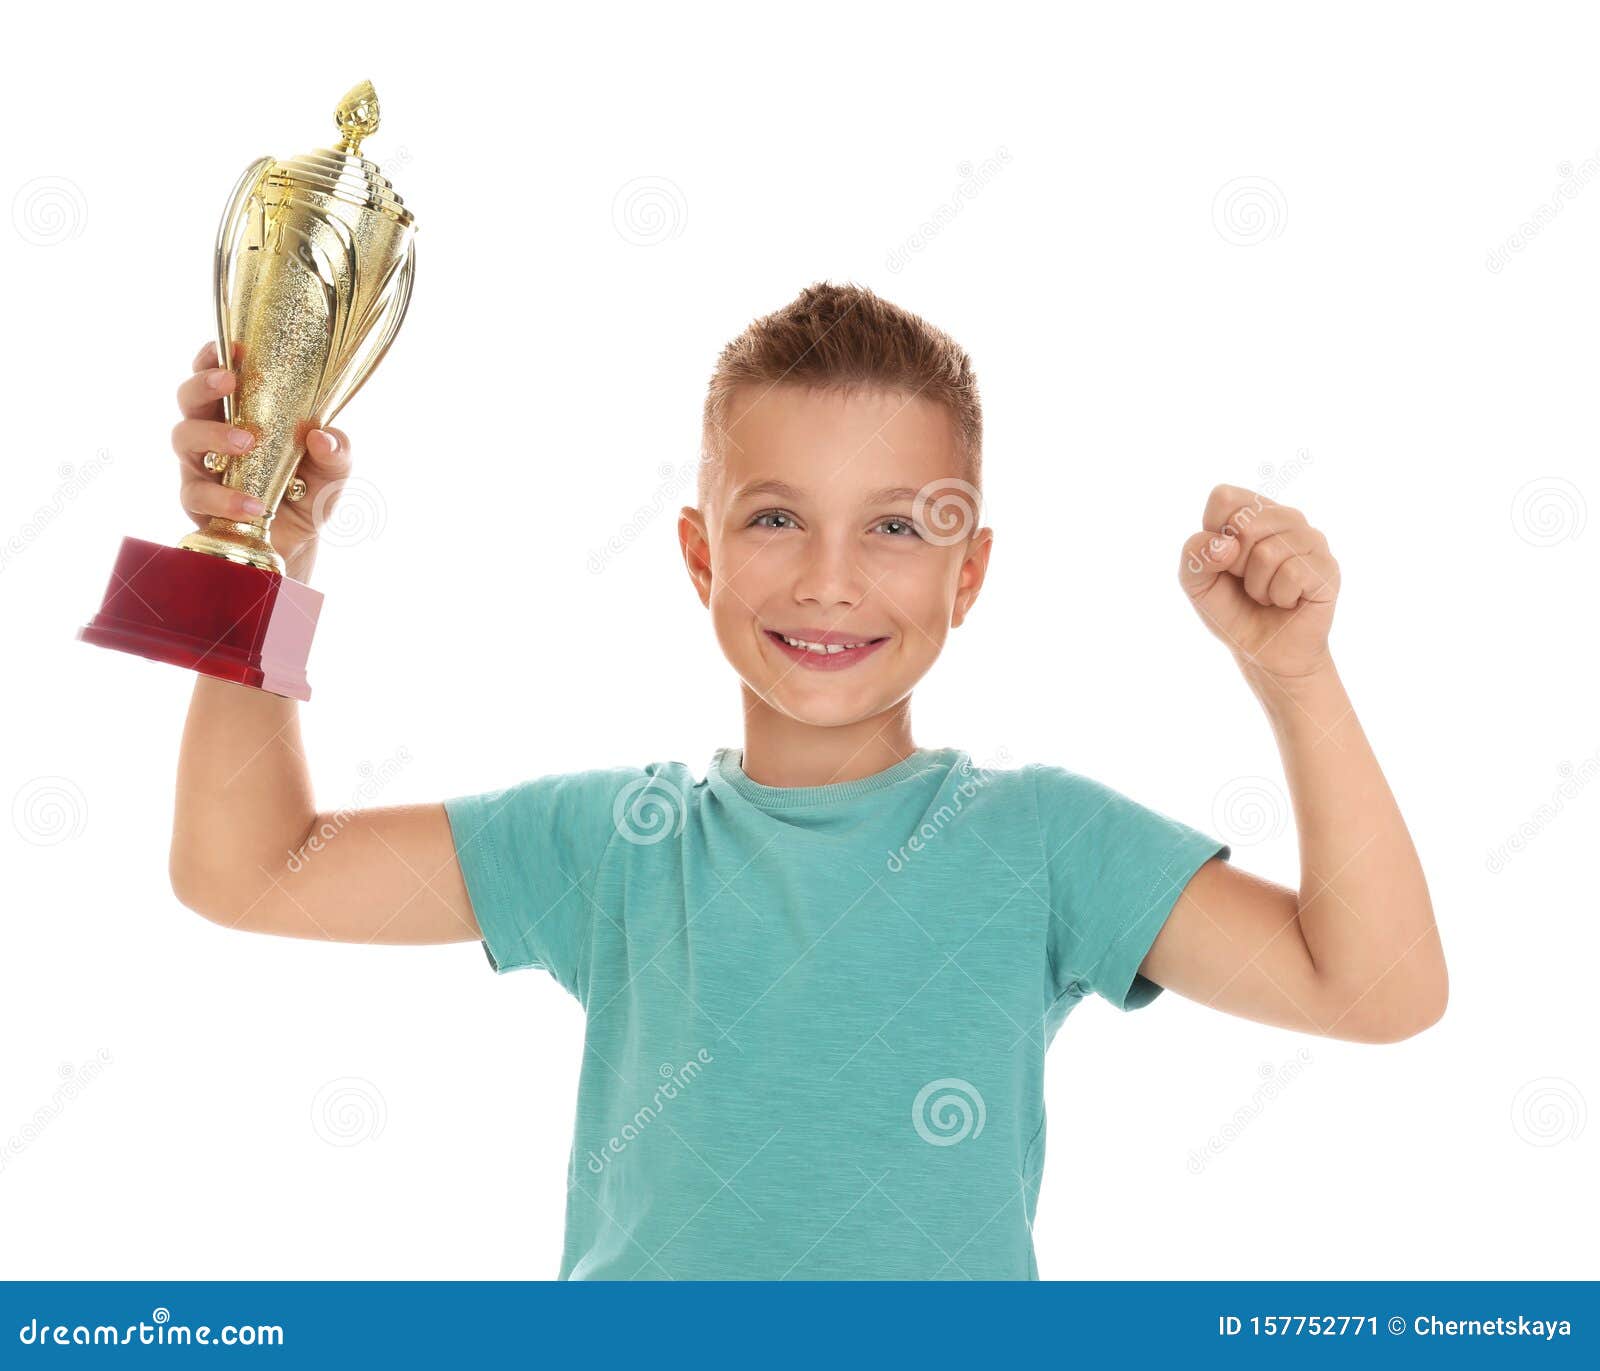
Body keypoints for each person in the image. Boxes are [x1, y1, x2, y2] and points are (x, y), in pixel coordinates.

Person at [168, 280, 1447, 1280]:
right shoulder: (615, 843)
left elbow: (1378, 993)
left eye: (897, 527)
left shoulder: (1045, 842)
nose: (830, 578)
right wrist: (245, 562)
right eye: (776, 518)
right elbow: (243, 871)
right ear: (698, 554)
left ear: (970, 574)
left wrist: (1294, 676)